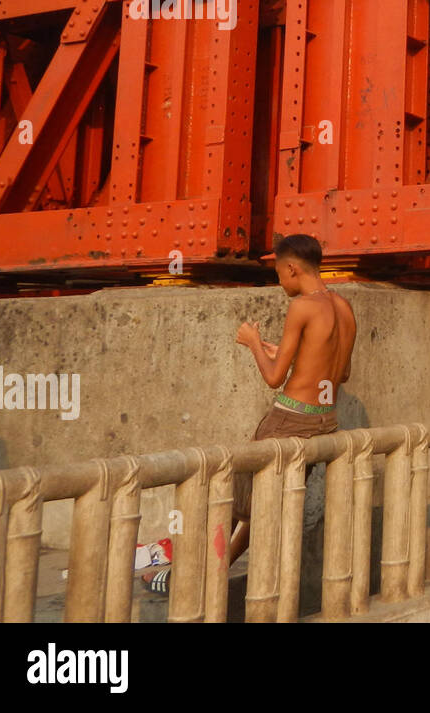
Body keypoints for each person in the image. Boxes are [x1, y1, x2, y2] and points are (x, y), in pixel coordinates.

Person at [144, 233, 356, 593]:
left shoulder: (303, 306)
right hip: (323, 422)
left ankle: (187, 577)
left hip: (288, 420)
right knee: (261, 504)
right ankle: (217, 571)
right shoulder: (343, 306)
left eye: (279, 274)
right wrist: (289, 354)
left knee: (224, 491)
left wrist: (254, 343)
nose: (279, 281)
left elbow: (274, 378)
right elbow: (342, 373)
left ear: (292, 268)